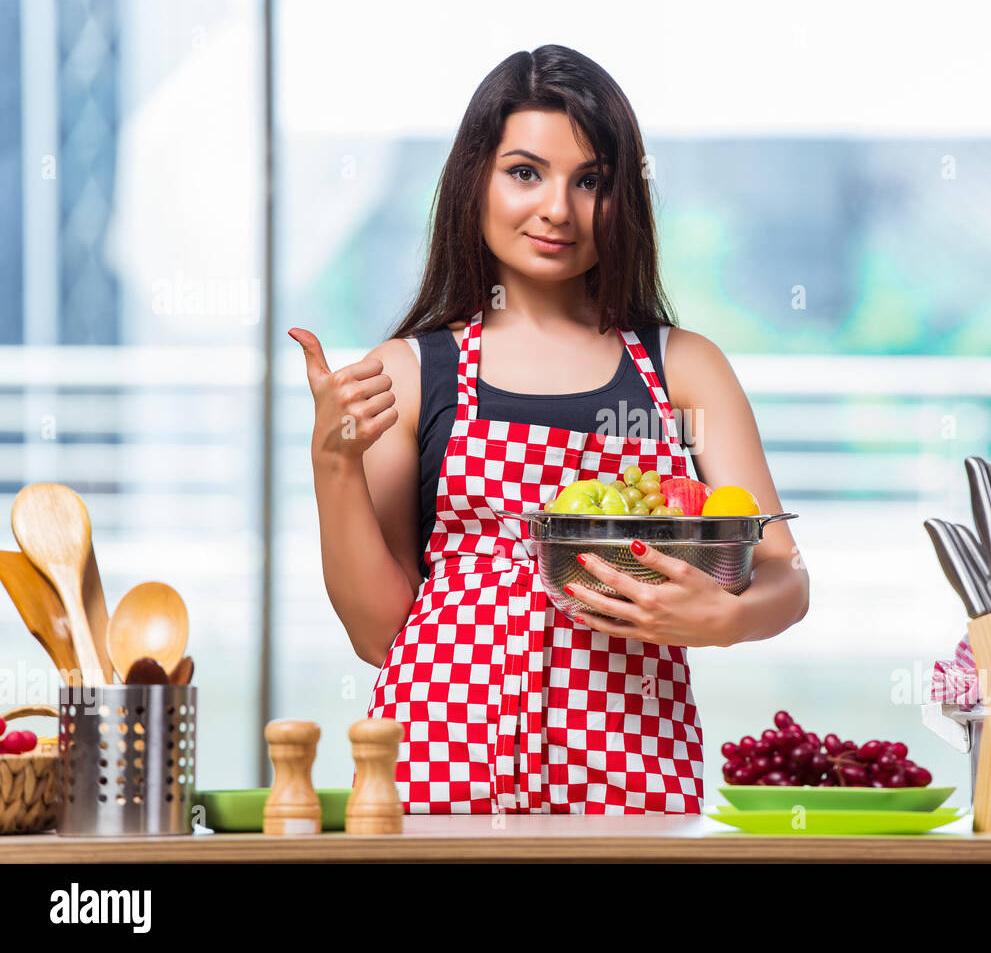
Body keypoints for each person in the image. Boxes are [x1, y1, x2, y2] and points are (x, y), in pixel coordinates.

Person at [289, 45, 809, 814]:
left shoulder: (683, 369)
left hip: (637, 773)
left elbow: (786, 576)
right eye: (525, 172)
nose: (558, 209)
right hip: (437, 767)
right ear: (476, 181)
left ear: (623, 196)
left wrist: (728, 618)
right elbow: (379, 634)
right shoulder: (408, 373)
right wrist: (330, 462)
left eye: (590, 180)